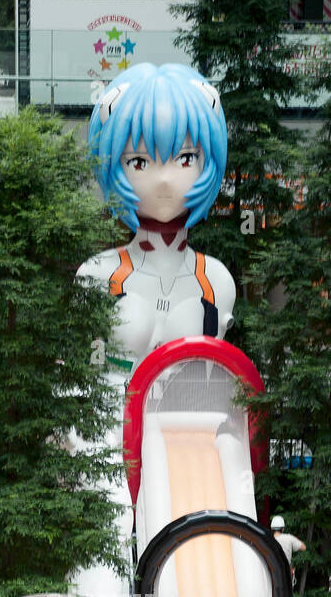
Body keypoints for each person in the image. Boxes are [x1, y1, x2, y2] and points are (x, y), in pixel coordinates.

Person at [79, 63, 235, 379]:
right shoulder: (95, 276)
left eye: (186, 158)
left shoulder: (217, 280)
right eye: (139, 161)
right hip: (114, 426)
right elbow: (82, 381)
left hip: (190, 424)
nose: (164, 179)